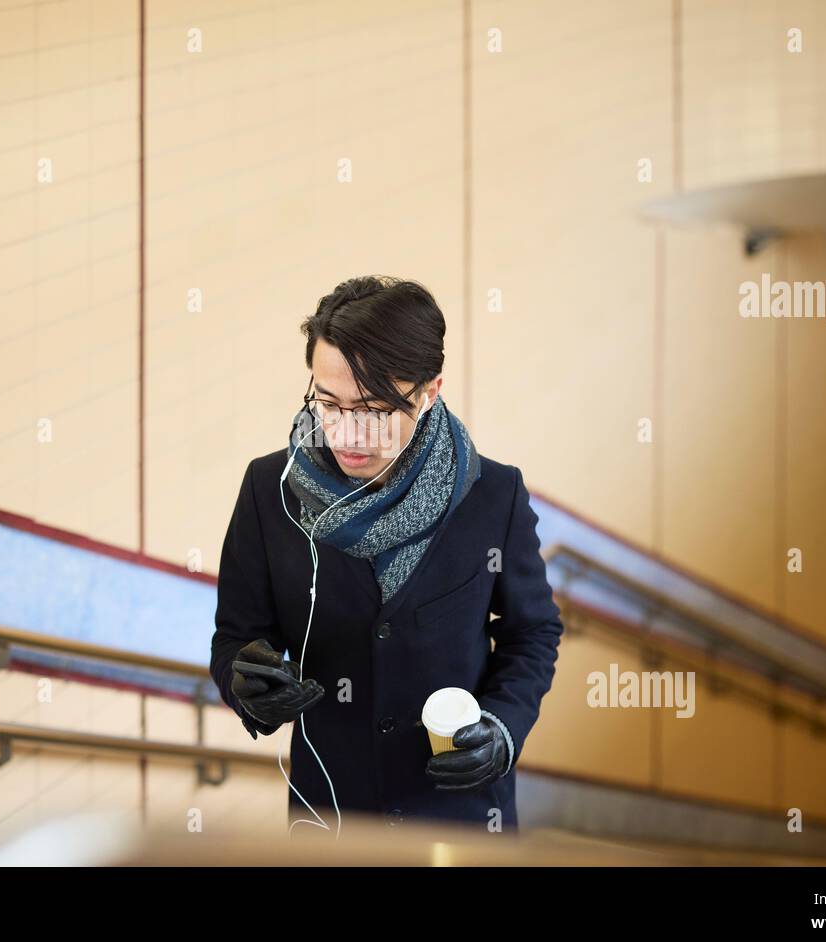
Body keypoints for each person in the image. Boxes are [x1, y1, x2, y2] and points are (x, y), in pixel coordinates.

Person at [209, 275, 562, 836]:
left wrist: (502, 727)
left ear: (429, 391)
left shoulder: (495, 496)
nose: (347, 432)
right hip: (331, 817)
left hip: (462, 816)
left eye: (373, 408)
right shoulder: (267, 489)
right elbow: (234, 638)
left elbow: (533, 632)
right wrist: (248, 687)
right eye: (329, 404)